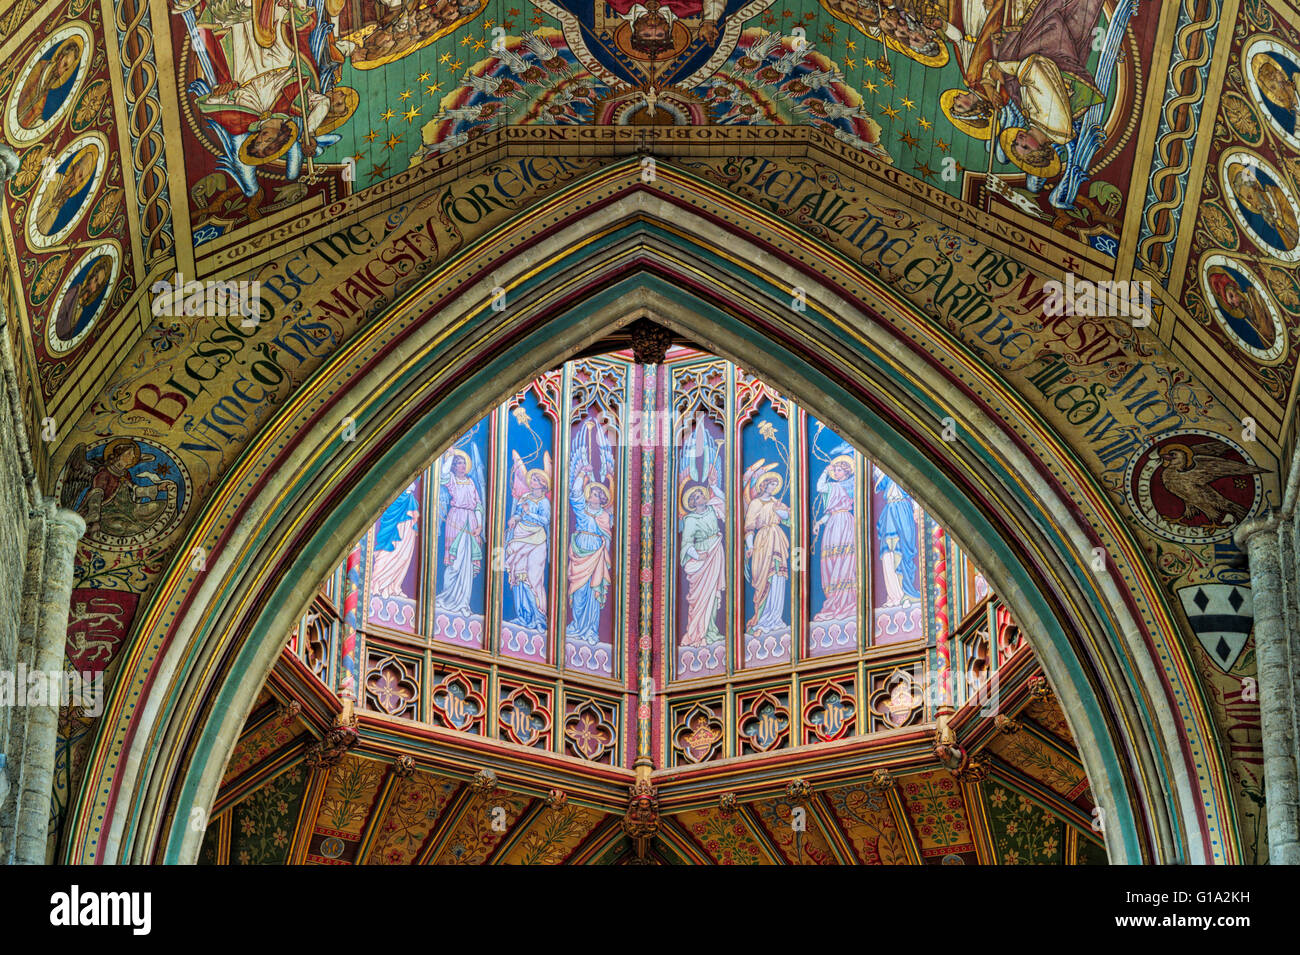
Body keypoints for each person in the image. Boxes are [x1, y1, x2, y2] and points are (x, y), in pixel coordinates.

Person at [566, 421, 614, 643]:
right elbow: (574, 495)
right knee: (578, 591)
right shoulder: (582, 510)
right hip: (580, 551)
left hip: (596, 555)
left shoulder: (604, 516)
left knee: (594, 591)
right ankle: (576, 625)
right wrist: (580, 474)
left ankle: (591, 630)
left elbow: (608, 536)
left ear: (602, 499)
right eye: (592, 493)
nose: (593, 496)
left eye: (597, 494)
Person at [504, 452, 551, 630]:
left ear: (543, 484)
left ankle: (539, 617)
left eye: (536, 480)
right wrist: (515, 518)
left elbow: (545, 520)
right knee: (519, 577)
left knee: (534, 578)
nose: (532, 482)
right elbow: (517, 512)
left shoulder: (544, 502)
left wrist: (528, 513)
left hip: (536, 540)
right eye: (532, 479)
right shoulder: (525, 498)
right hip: (520, 537)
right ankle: (524, 615)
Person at [436, 449, 483, 614]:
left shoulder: (471, 483)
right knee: (454, 562)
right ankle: (447, 597)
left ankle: (463, 603)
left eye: (463, 463)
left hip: (470, 521)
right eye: (458, 463)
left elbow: (477, 504)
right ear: (454, 467)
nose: (461, 466)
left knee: (467, 564)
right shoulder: (452, 480)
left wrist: (480, 525)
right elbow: (442, 474)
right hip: (456, 519)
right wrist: (448, 456)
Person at [743, 466, 790, 635]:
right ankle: (762, 619)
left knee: (778, 576)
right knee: (764, 579)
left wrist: (780, 511)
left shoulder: (776, 503)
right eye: (771, 484)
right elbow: (749, 528)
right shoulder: (755, 503)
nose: (773, 487)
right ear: (763, 485)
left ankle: (775, 618)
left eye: (775, 485)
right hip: (762, 542)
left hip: (776, 539)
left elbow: (789, 520)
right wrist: (750, 547)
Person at [680, 483, 726, 648]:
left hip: (715, 551)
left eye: (702, 494)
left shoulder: (713, 509)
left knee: (713, 593)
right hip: (702, 557)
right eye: (698, 496)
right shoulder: (691, 520)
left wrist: (714, 484)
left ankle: (711, 631)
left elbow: (727, 505)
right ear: (692, 501)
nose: (703, 496)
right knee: (700, 597)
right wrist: (697, 555)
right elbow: (686, 543)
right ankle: (698, 632)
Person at [813, 455, 857, 621]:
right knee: (832, 559)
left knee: (845, 559)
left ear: (846, 471)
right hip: (832, 523)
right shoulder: (831, 487)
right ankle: (834, 599)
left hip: (844, 521)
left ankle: (847, 600)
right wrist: (819, 522)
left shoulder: (850, 486)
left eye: (839, 469)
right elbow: (819, 487)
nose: (836, 472)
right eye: (835, 469)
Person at [16, 37, 81, 128]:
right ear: (60, 57)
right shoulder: (39, 68)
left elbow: (37, 109)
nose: (61, 73)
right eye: (64, 64)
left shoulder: (48, 86)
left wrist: (39, 121)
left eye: (66, 70)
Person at [54, 256, 112, 342]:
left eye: (98, 286)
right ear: (91, 276)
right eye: (95, 280)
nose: (94, 288)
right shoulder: (75, 291)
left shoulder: (81, 309)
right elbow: (59, 313)